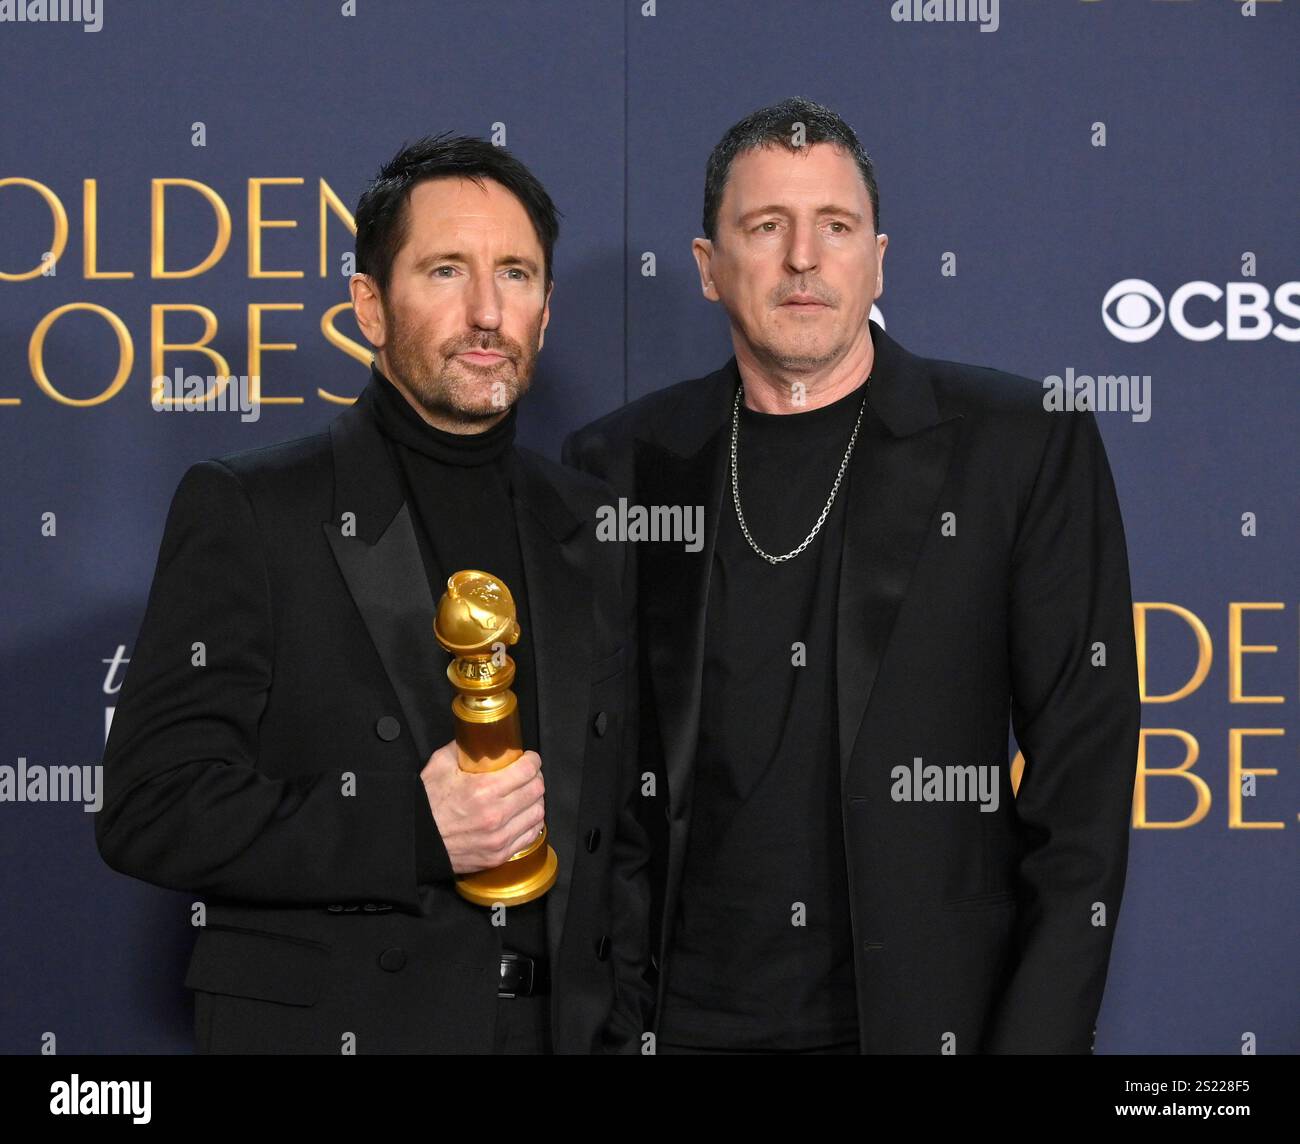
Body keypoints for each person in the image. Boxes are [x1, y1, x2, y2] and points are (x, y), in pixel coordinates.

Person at [563, 98, 1140, 1054]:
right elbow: (603, 795)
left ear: (879, 256)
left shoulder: (1019, 444)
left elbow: (1082, 790)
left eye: (836, 226)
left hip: (925, 1026)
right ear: (709, 270)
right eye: (765, 227)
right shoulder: (618, 465)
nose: (803, 258)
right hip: (678, 1024)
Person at [97, 133, 652, 1055]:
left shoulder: (592, 524)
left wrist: (619, 1023)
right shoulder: (250, 509)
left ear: (546, 310)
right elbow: (153, 809)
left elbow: (621, 829)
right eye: (445, 271)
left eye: (515, 274)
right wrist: (413, 830)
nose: (486, 312)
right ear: (370, 305)